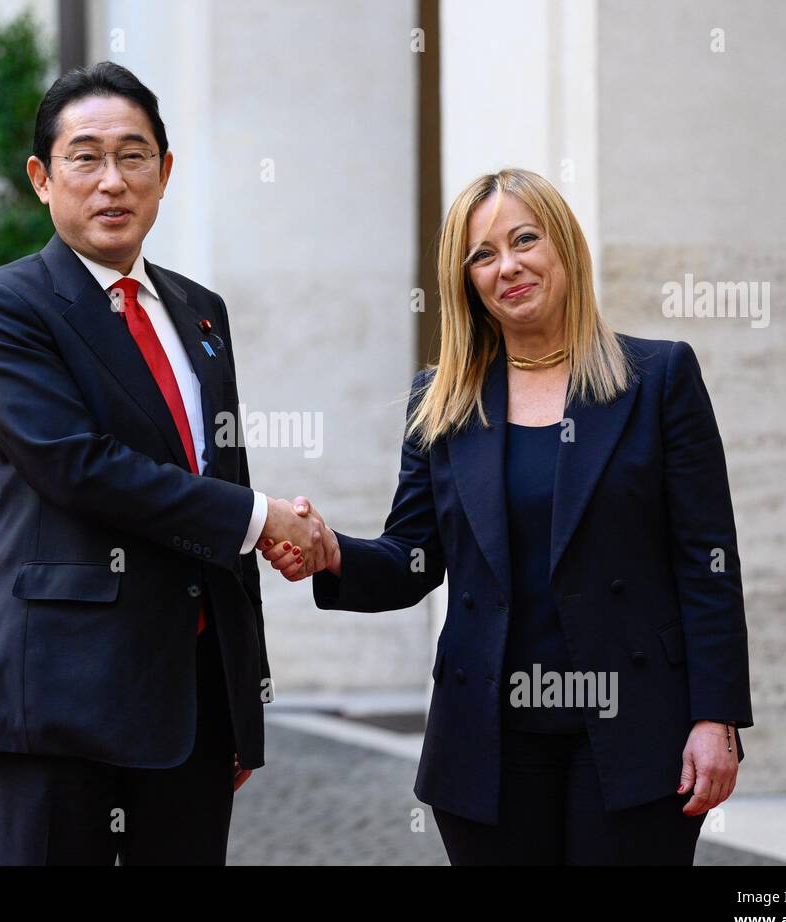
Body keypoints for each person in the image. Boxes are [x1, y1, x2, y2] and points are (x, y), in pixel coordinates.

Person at [262, 168, 753, 865]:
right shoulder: (441, 400)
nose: (508, 266)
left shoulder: (660, 379)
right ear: (465, 281)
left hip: (637, 728)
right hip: (488, 739)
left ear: (565, 247)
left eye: (525, 239)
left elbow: (708, 562)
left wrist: (716, 715)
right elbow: (414, 558)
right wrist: (330, 550)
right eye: (482, 254)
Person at [0, 62, 326, 865]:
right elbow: (77, 468)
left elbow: (217, 475)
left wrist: (240, 693)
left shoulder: (200, 312)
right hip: (59, 690)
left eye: (135, 155)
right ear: (42, 179)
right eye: (85, 157)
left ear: (165, 172)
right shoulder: (5, 308)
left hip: (191, 695)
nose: (112, 181)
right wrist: (261, 520)